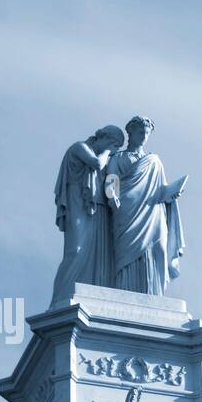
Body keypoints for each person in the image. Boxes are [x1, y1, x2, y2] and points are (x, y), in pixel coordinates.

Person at [106, 116, 186, 294]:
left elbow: (161, 190)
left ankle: (153, 293)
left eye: (147, 133)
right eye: (141, 132)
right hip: (126, 213)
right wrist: (112, 195)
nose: (144, 136)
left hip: (153, 214)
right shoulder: (118, 157)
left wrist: (172, 194)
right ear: (131, 133)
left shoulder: (154, 161)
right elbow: (112, 178)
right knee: (128, 255)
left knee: (155, 249)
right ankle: (125, 290)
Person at [51, 125, 124, 303]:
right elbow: (97, 164)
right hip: (78, 203)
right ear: (103, 137)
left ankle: (90, 295)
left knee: (96, 256)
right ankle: (61, 298)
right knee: (75, 250)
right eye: (113, 144)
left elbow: (112, 181)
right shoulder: (79, 147)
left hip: (97, 208)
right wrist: (108, 151)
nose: (114, 150)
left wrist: (114, 195)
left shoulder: (109, 160)